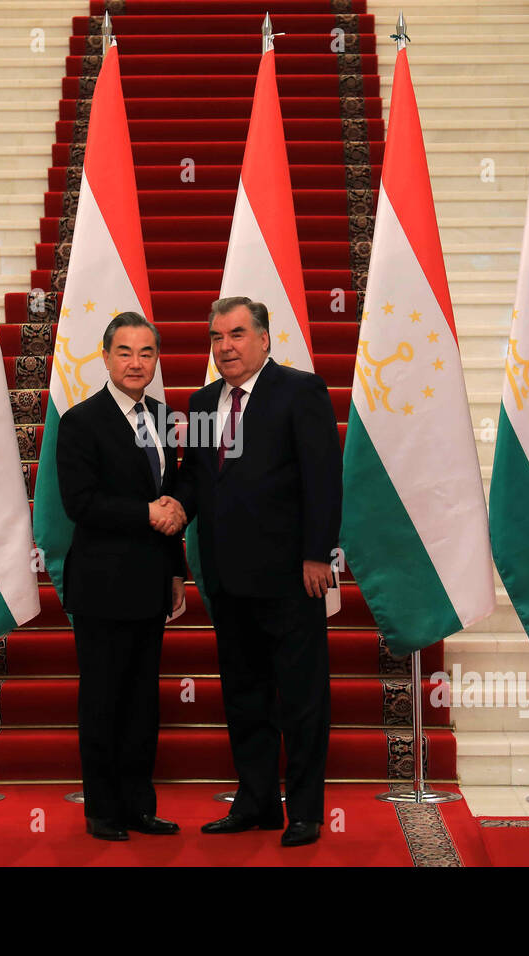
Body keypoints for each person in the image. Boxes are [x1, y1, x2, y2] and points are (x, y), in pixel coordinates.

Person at [167, 296, 342, 847]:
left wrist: (318, 553)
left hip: (291, 577)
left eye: (238, 335)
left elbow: (323, 478)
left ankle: (307, 811)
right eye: (217, 338)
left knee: (301, 696)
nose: (226, 347)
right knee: (244, 696)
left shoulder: (300, 391)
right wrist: (175, 506)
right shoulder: (199, 404)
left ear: (265, 339)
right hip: (225, 578)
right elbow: (196, 479)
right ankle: (257, 802)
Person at [55, 311, 187, 842]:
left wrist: (177, 569)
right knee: (104, 699)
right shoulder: (80, 421)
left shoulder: (163, 415)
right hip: (102, 587)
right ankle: (103, 811)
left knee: (142, 701)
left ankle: (139, 805)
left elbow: (170, 493)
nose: (136, 363)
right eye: (125, 352)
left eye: (147, 353)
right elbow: (79, 503)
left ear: (156, 359)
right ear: (105, 357)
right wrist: (145, 514)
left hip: (152, 582)